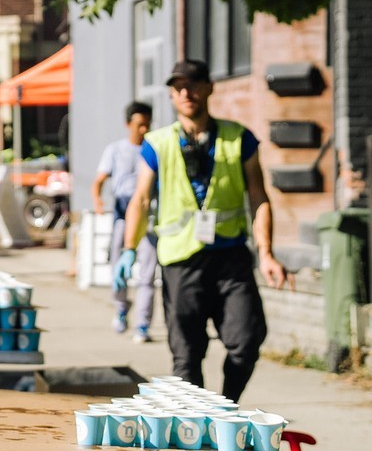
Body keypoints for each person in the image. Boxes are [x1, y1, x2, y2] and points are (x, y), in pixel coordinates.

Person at [118, 59, 286, 401]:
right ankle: (198, 427)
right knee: (187, 358)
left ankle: (226, 407)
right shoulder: (158, 142)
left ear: (209, 87)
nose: (186, 92)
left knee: (247, 339)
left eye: (193, 84)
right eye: (178, 87)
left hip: (230, 258)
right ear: (170, 95)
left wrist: (266, 252)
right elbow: (140, 199)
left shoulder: (239, 138)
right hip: (180, 261)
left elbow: (258, 196)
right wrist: (129, 250)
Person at [92, 102, 157, 343]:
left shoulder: (154, 148)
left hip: (147, 216)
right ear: (128, 124)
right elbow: (98, 180)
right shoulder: (116, 149)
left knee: (147, 274)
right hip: (122, 213)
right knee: (118, 268)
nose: (144, 130)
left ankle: (142, 324)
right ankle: (121, 308)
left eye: (147, 125)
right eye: (139, 124)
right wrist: (98, 200)